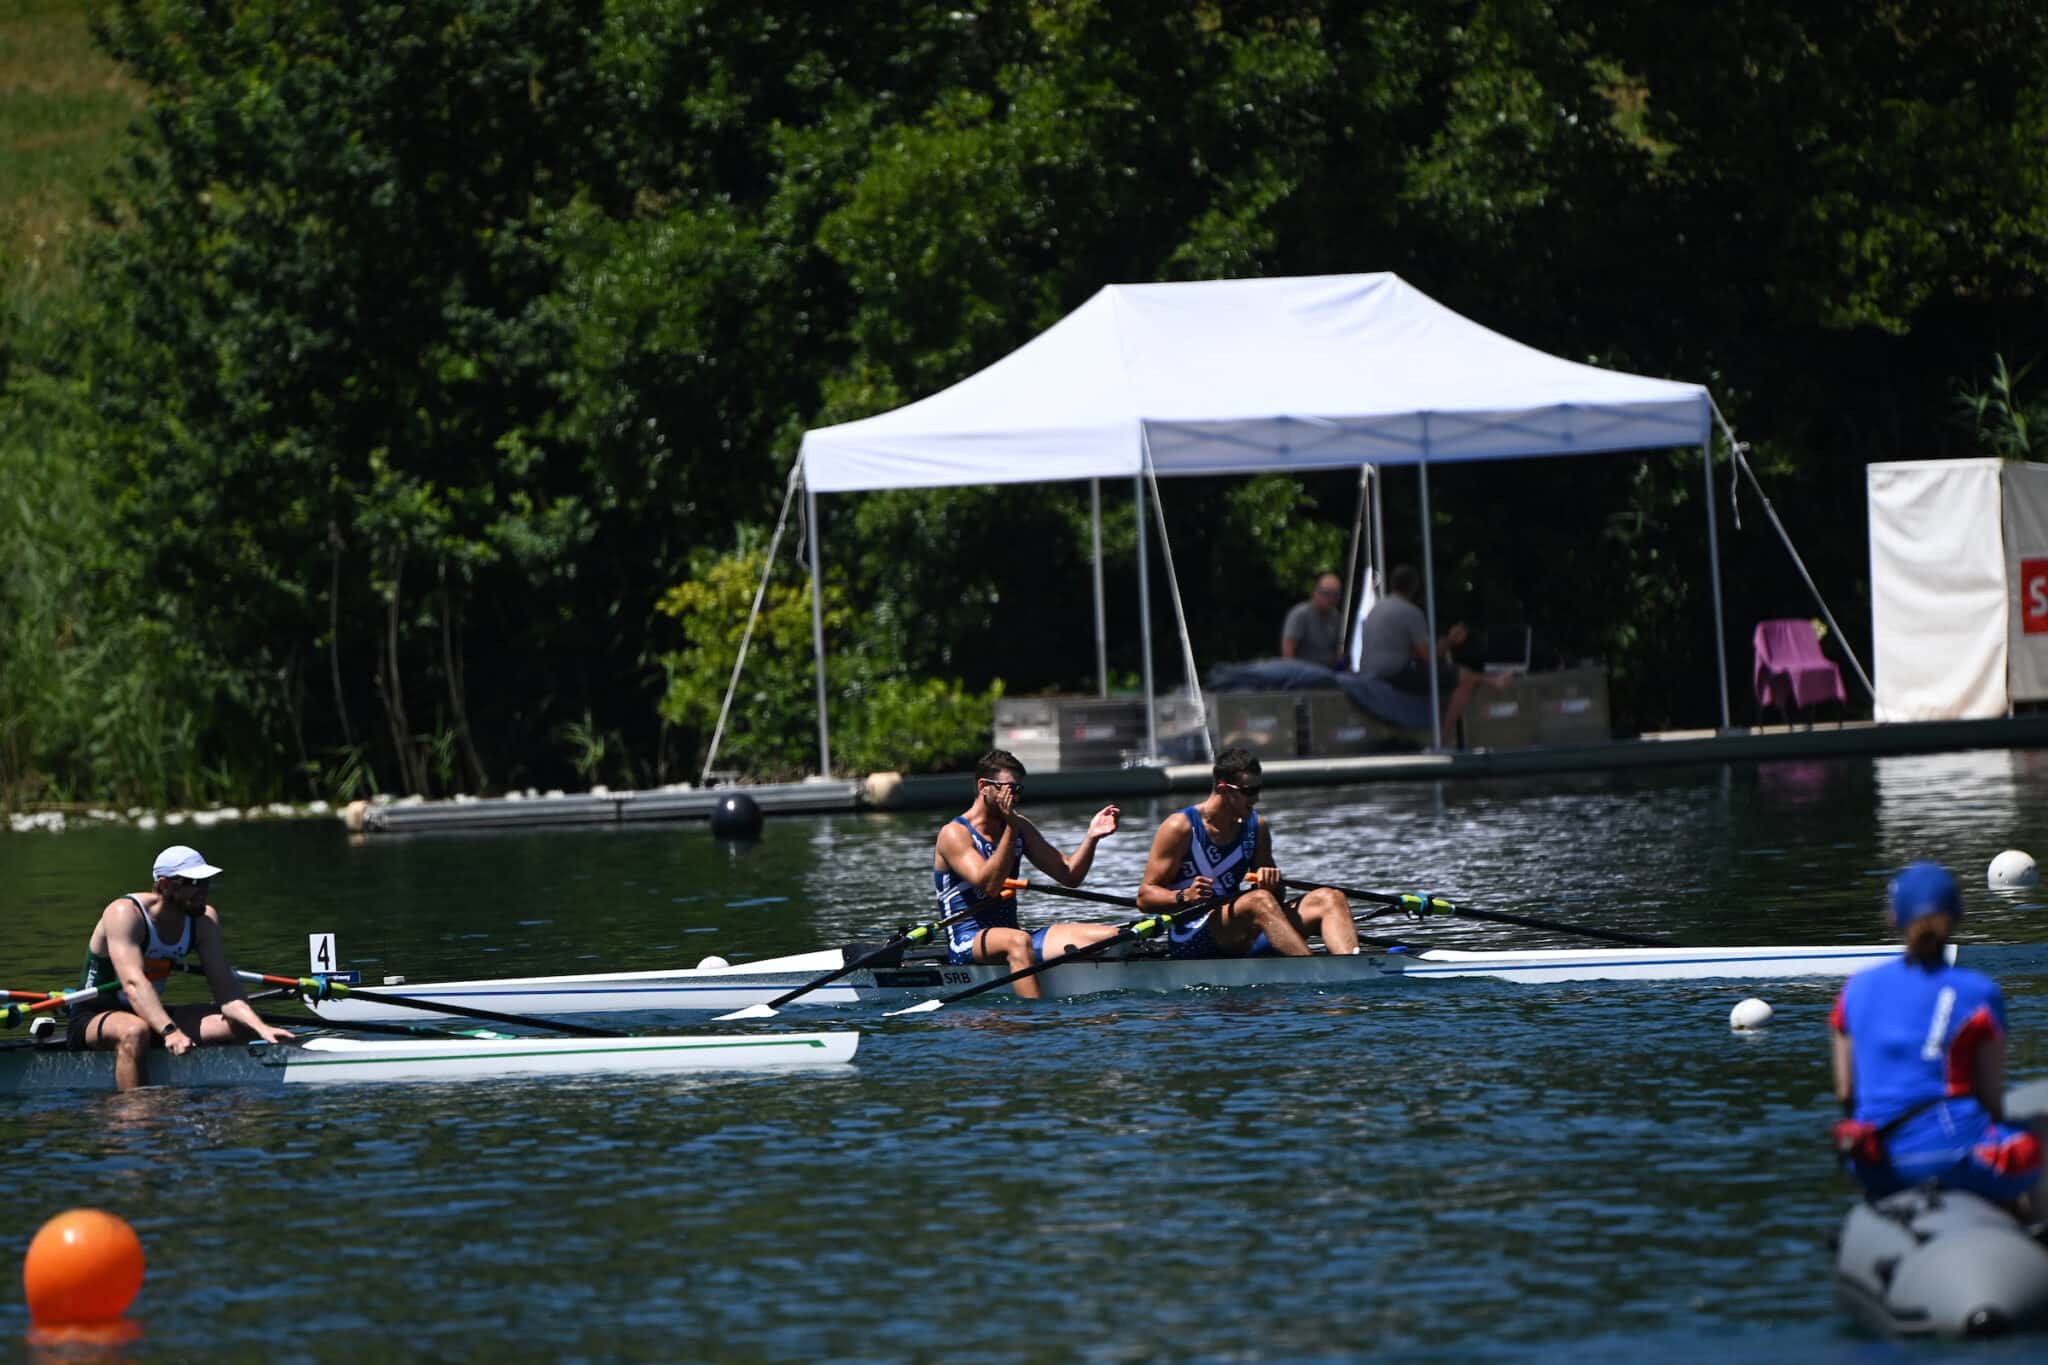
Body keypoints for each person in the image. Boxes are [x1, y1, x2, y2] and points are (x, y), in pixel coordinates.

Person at [1830, 861, 2044, 1209]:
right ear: (1957, 916)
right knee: (2041, 1133)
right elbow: (1990, 1099)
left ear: (1893, 918)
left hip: (1874, 1164)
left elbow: (1846, 1092)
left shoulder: (1855, 989)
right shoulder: (1979, 991)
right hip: (1956, 1156)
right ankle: (2031, 1233)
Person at [70, 845, 296, 1090]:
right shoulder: (125, 913)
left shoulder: (204, 920)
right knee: (135, 1031)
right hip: (94, 1015)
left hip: (151, 1013)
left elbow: (226, 989)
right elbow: (134, 985)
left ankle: (223, 1103)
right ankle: (135, 1116)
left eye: (206, 882)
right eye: (193, 883)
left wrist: (261, 1028)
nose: (203, 891)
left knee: (238, 1026)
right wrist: (170, 1032)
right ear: (165, 885)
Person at [933, 750, 1123, 999]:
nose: (1015, 796)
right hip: (967, 939)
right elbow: (989, 885)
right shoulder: (955, 834)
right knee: (1018, 942)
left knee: (1113, 938)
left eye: (1018, 790)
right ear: (984, 787)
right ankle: (1034, 1019)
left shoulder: (1019, 826)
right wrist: (1011, 827)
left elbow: (1068, 876)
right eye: (1008, 789)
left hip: (1014, 934)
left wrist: (1092, 838)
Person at [1134, 747, 1358, 958]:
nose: (1256, 798)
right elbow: (1145, 897)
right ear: (1222, 788)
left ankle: (1352, 968)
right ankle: (1317, 970)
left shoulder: (1256, 827)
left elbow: (1274, 897)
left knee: (1330, 897)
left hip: (1244, 927)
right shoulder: (1179, 827)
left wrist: (1272, 885)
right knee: (1257, 900)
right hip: (1191, 934)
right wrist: (1184, 896)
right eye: (1248, 791)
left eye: (1258, 790)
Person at [1354, 563, 1506, 739]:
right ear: (1415, 588)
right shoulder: (1410, 612)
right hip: (1391, 673)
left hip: (1369, 672)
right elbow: (1427, 656)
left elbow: (1406, 649)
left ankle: (1492, 680)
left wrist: (1445, 643)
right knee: (1464, 678)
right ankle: (1443, 738)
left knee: (1450, 674)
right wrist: (1450, 641)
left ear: (1391, 584)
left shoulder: (1377, 609)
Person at [1280, 573, 1347, 670]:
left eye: (1335, 595)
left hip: (1327, 674)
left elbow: (1337, 650)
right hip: (1302, 674)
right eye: (1326, 593)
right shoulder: (1300, 614)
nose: (1330, 599)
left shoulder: (1336, 618)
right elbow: (1287, 651)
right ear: (1316, 592)